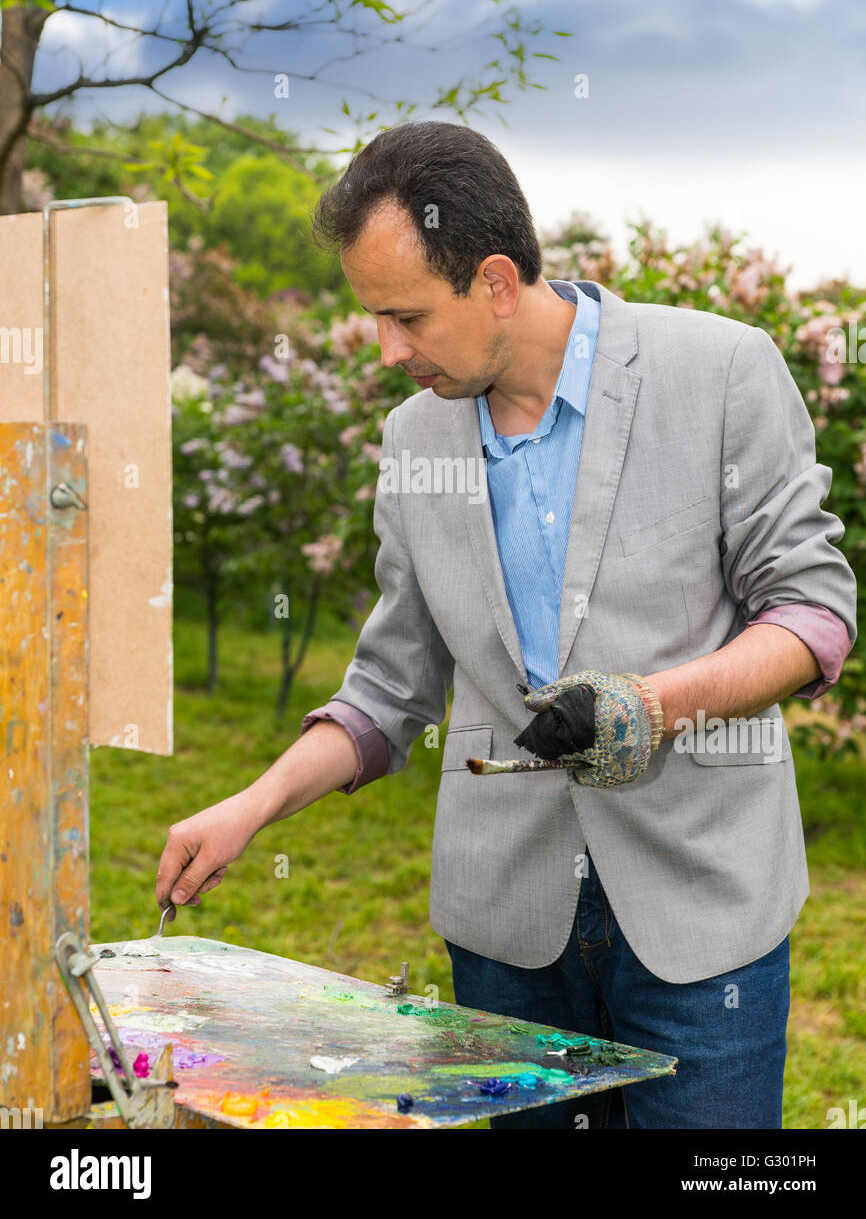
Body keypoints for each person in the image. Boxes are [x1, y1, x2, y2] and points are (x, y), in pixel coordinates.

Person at [157, 121, 856, 1129]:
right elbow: (390, 689)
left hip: (701, 917)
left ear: (493, 281)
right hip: (508, 933)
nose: (388, 352)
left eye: (405, 318)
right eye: (373, 319)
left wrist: (657, 703)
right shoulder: (412, 438)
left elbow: (811, 610)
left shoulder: (719, 372)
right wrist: (249, 808)